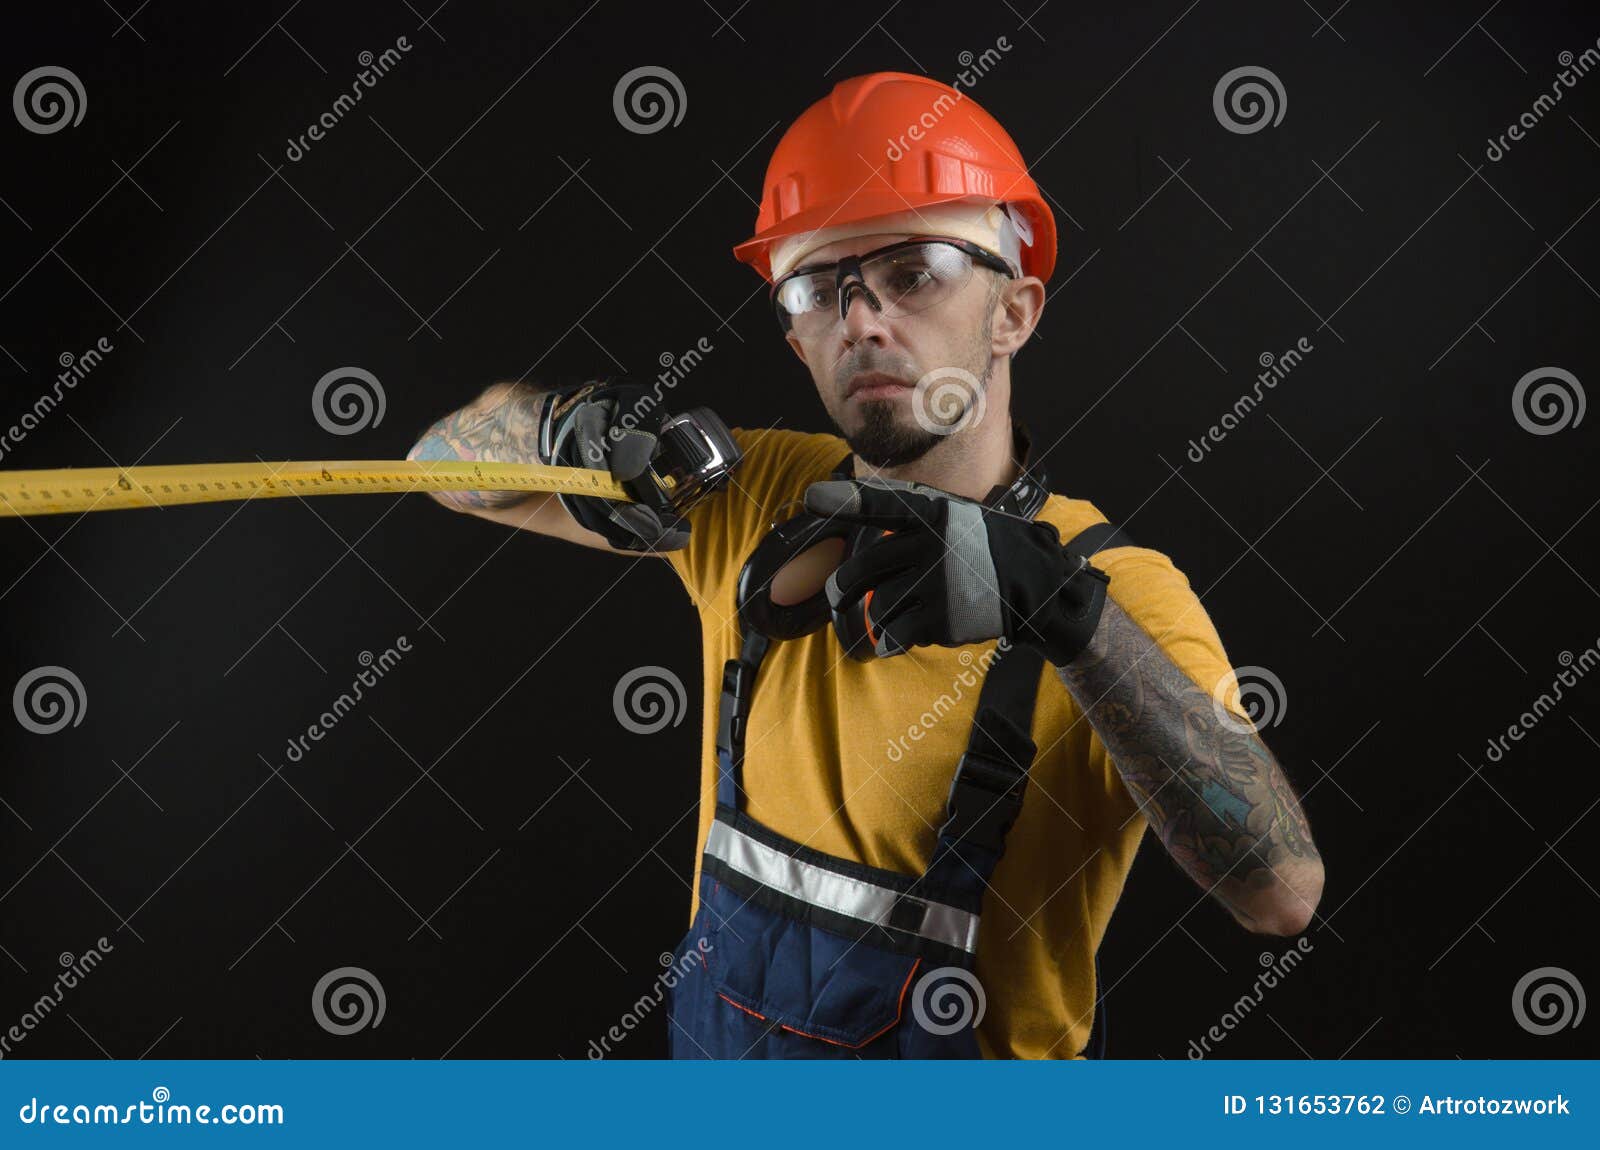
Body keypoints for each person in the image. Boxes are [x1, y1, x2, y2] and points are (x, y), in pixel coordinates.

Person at [408, 71, 1324, 1059]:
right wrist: (558, 428)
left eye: (916, 270)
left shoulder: (1118, 590)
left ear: (1013, 311)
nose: (863, 319)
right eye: (817, 286)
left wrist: (1071, 619)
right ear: (796, 335)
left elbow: (1280, 894)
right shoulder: (747, 501)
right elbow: (432, 471)